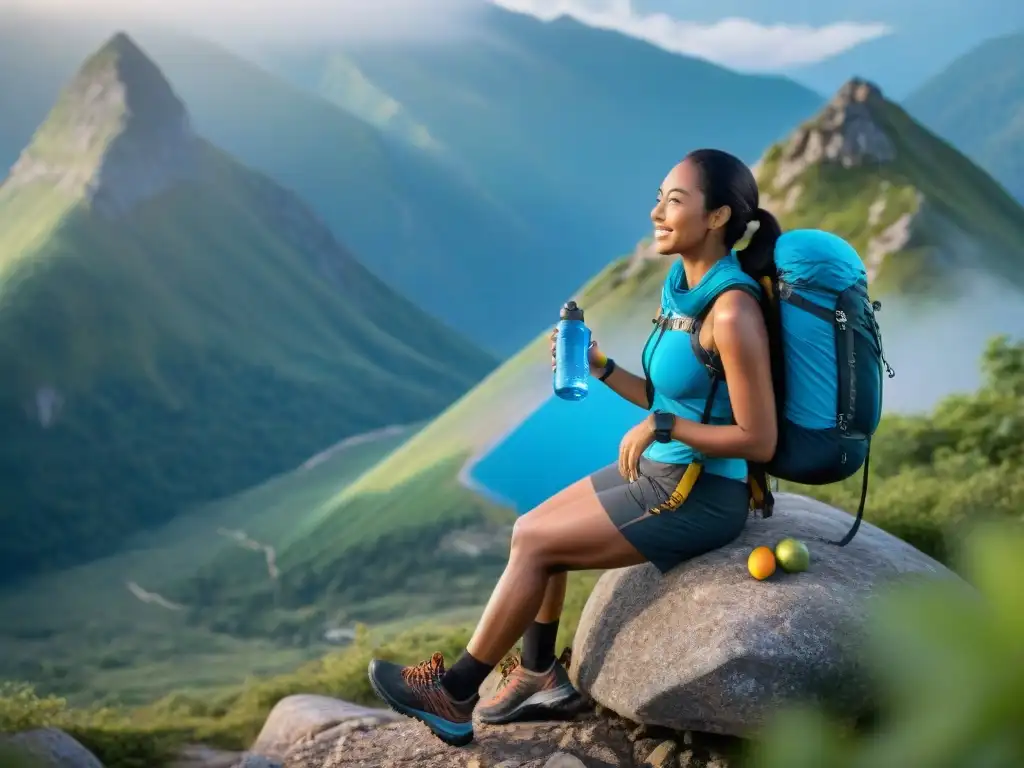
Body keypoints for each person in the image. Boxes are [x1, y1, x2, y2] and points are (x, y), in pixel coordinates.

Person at [366, 148, 780, 747]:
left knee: (536, 545)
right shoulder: (684, 293)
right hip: (662, 469)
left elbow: (757, 437)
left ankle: (455, 694)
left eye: (674, 201)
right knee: (530, 528)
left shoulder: (732, 310)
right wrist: (604, 367)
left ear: (716, 217)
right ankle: (541, 675)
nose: (656, 211)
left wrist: (667, 428)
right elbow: (673, 395)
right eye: (659, 197)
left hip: (702, 493)